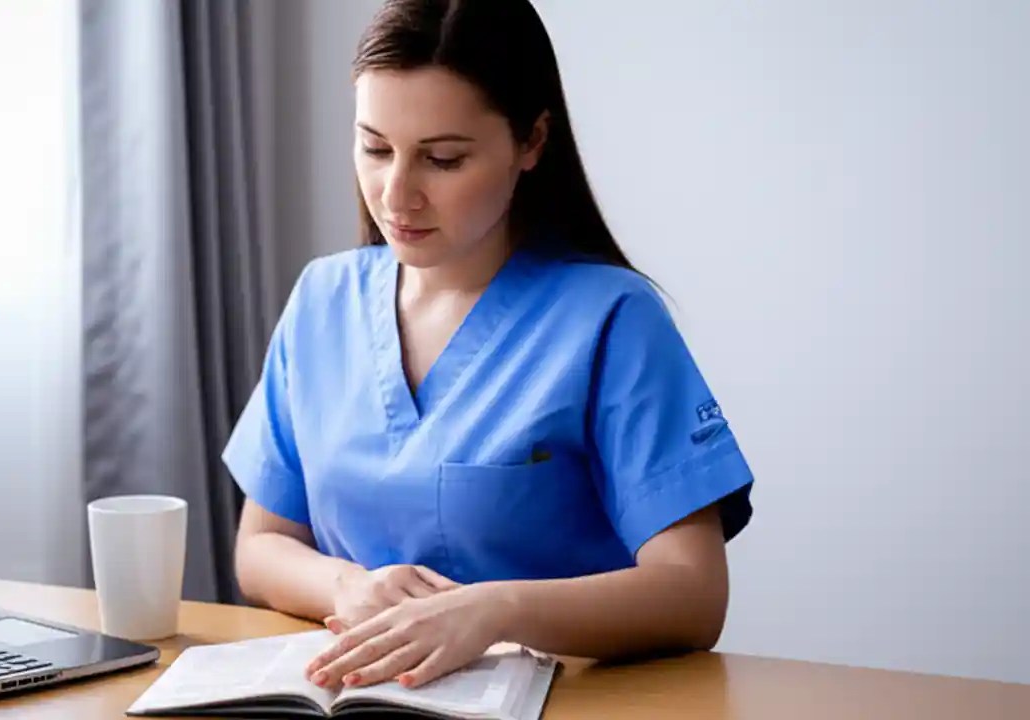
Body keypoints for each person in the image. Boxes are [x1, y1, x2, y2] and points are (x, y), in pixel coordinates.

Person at [221, 0, 754, 693]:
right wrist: (349, 588)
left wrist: (495, 609)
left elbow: (692, 593)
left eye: (442, 159)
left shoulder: (613, 320)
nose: (396, 195)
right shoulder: (323, 301)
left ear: (532, 142)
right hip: (359, 699)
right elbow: (259, 549)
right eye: (375, 148)